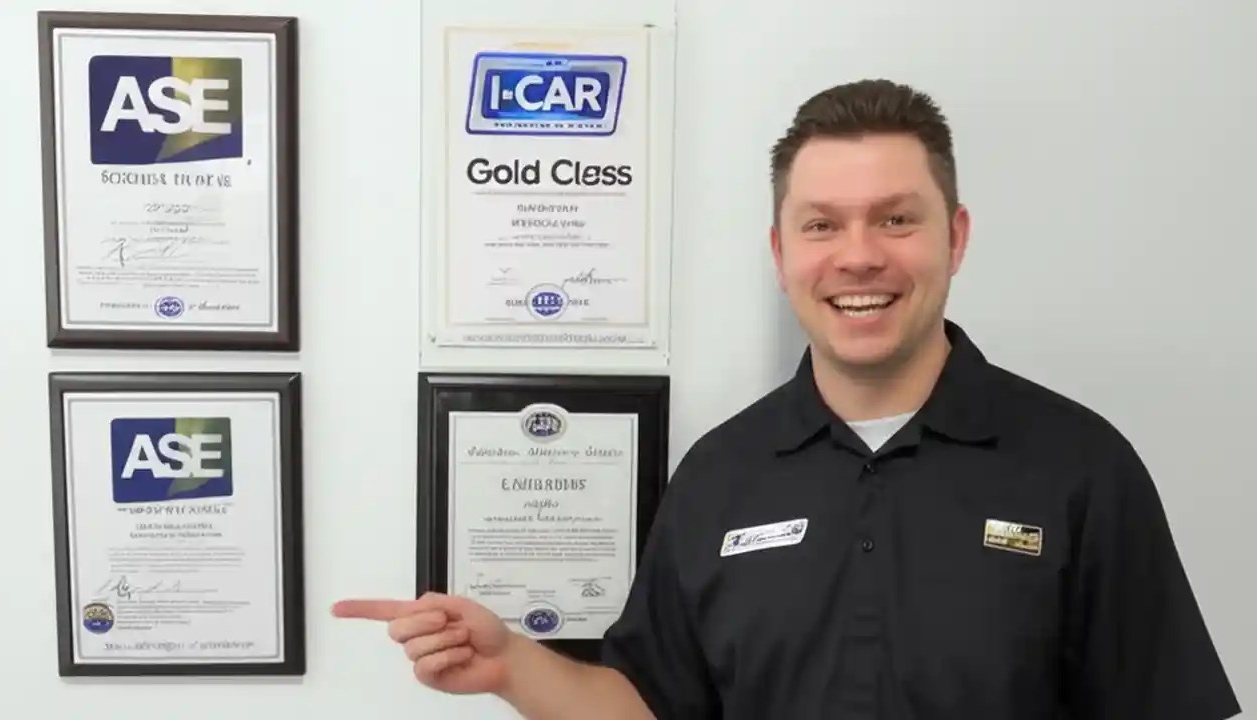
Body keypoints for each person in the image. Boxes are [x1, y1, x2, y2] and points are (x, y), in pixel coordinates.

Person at [332, 79, 1242, 719]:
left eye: (896, 218)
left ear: (954, 237)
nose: (858, 256)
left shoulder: (1079, 466)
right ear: (781, 252)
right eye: (822, 225)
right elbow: (648, 707)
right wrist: (512, 668)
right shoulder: (722, 474)